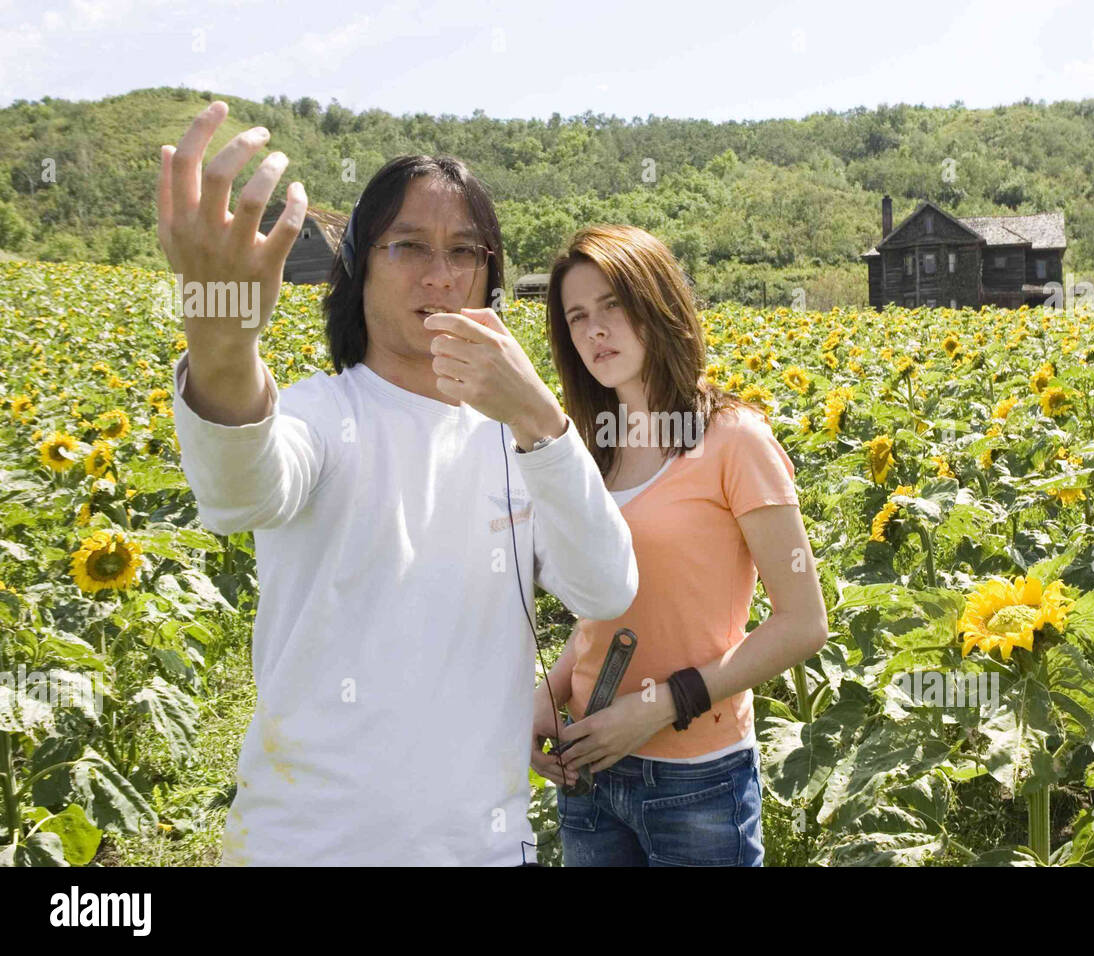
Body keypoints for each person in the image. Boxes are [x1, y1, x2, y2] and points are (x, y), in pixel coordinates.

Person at [158, 101, 637, 866]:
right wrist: (221, 336)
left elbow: (606, 588)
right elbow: (239, 493)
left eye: (465, 252)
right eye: (408, 246)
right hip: (307, 847)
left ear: (491, 274)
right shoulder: (321, 414)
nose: (441, 278)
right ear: (358, 269)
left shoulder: (520, 437)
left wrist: (540, 417)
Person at [529, 224, 829, 866]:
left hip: (694, 778)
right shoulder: (590, 447)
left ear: (657, 304)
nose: (594, 331)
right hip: (585, 766)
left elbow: (804, 624)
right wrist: (548, 696)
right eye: (577, 317)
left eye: (612, 305)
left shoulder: (734, 440)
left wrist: (659, 707)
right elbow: (600, 621)